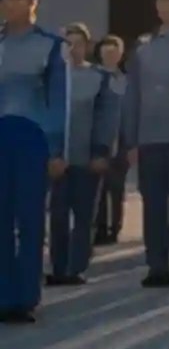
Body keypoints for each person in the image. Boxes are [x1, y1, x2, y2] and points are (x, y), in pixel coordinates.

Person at [0, 0, 68, 323]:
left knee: (29, 218)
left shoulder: (51, 46)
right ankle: (3, 295)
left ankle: (26, 296)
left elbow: (59, 102)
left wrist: (56, 150)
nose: (15, 3)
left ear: (33, 3)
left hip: (33, 138)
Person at [122, 0, 169, 287]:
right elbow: (133, 95)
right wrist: (131, 140)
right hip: (149, 138)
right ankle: (156, 265)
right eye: (162, 1)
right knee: (153, 206)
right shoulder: (143, 47)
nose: (167, 7)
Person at [46, 23, 120, 286]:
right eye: (68, 44)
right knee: (58, 216)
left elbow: (106, 118)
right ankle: (58, 267)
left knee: (84, 216)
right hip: (58, 161)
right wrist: (51, 153)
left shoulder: (99, 78)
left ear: (87, 46)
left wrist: (101, 151)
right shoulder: (52, 79)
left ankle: (76, 268)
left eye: (78, 43)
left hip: (87, 159)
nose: (73, 48)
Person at [93, 34, 129, 246]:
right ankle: (99, 227)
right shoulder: (94, 77)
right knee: (99, 186)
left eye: (114, 53)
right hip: (100, 139)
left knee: (117, 187)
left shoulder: (127, 80)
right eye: (106, 53)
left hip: (122, 140)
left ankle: (115, 227)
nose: (110, 56)